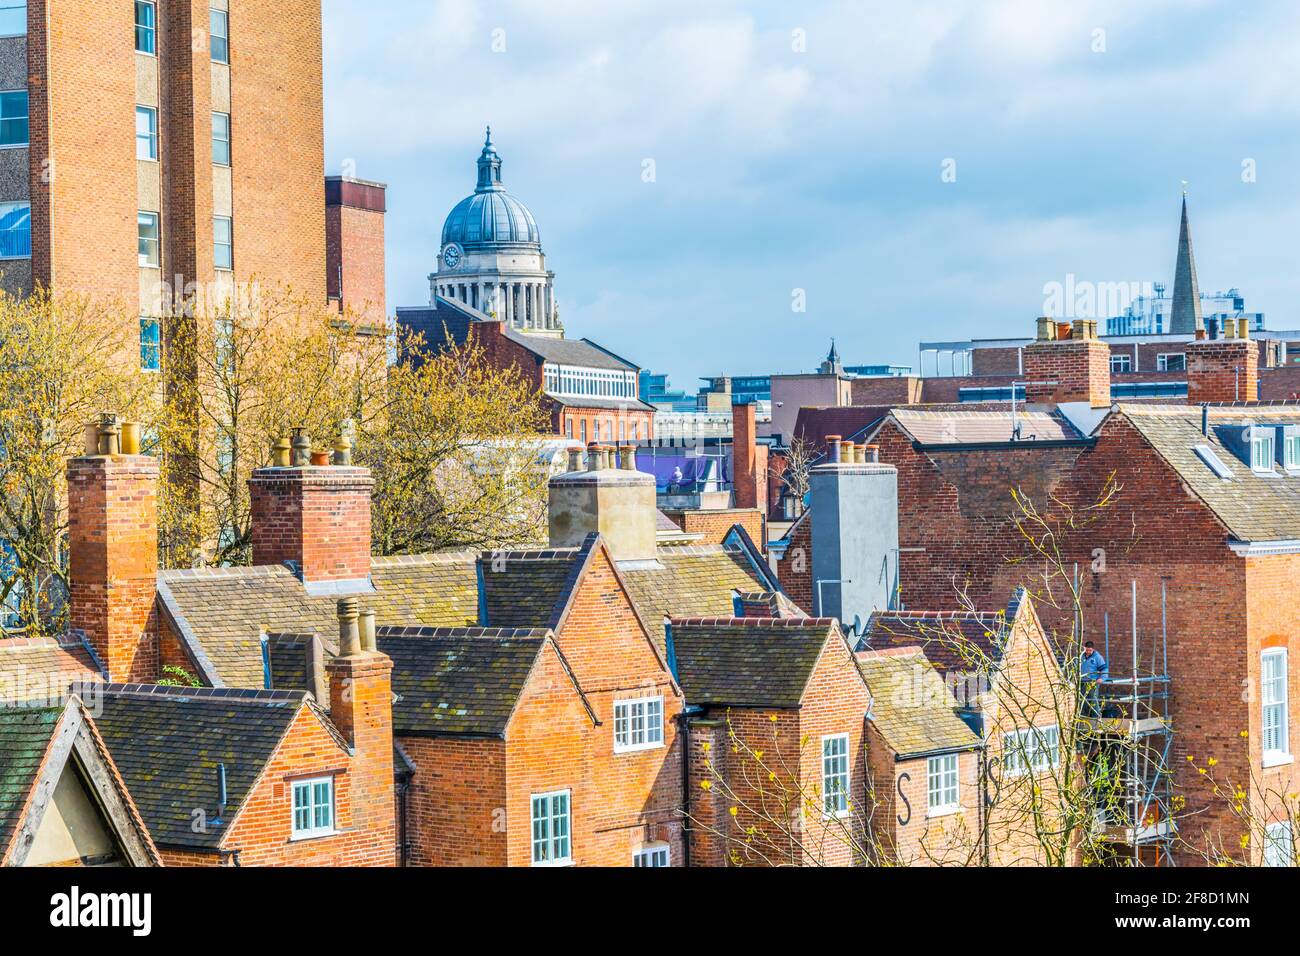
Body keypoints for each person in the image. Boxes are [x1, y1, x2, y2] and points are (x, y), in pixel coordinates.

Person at [1080, 641, 1108, 718]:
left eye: (1090, 650)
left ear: (1093, 649)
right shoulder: (1081, 656)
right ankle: (1083, 716)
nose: (1088, 652)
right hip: (1082, 682)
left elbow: (1104, 669)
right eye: (1087, 650)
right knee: (1082, 700)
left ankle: (1096, 716)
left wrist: (1102, 679)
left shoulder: (1097, 657)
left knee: (1093, 700)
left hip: (1093, 682)